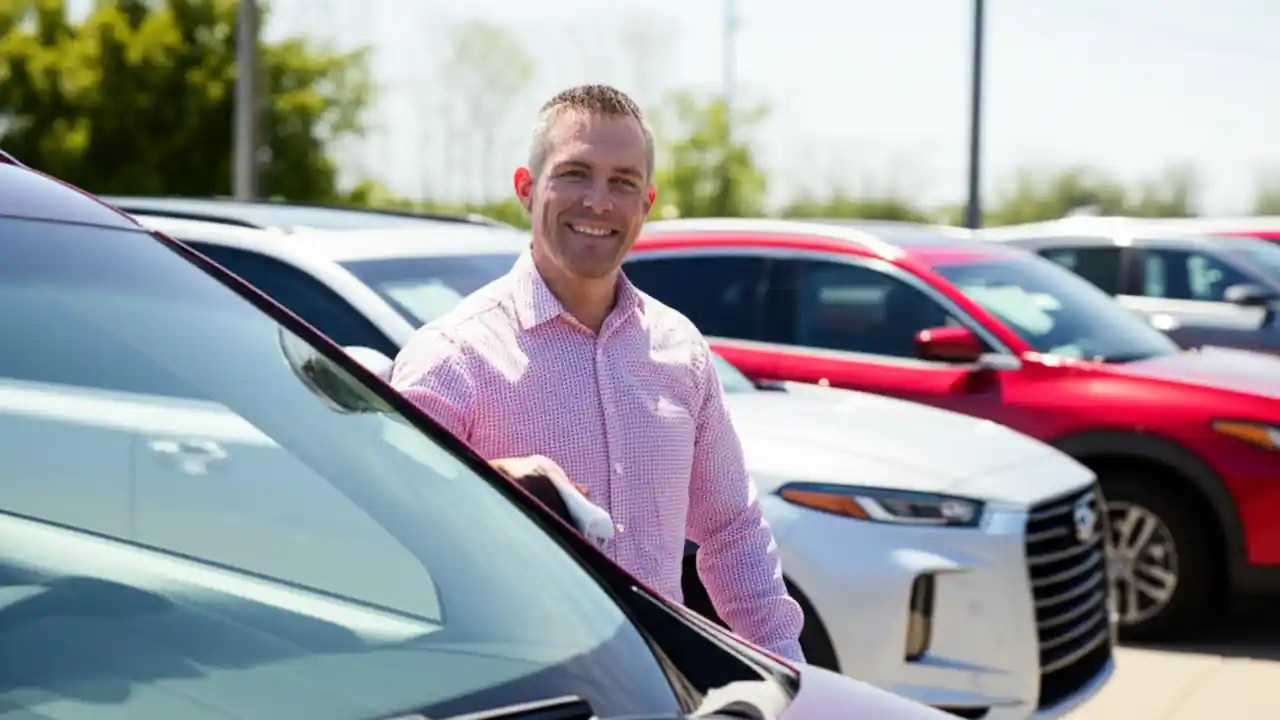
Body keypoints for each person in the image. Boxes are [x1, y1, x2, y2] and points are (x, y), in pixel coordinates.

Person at [389, 84, 805, 663]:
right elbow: (391, 537)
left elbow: (732, 530)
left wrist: (789, 670)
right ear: (527, 189)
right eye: (575, 174)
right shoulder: (451, 358)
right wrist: (483, 487)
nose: (599, 201)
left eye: (623, 182)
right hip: (522, 693)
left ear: (647, 202)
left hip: (656, 690)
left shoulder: (679, 349)